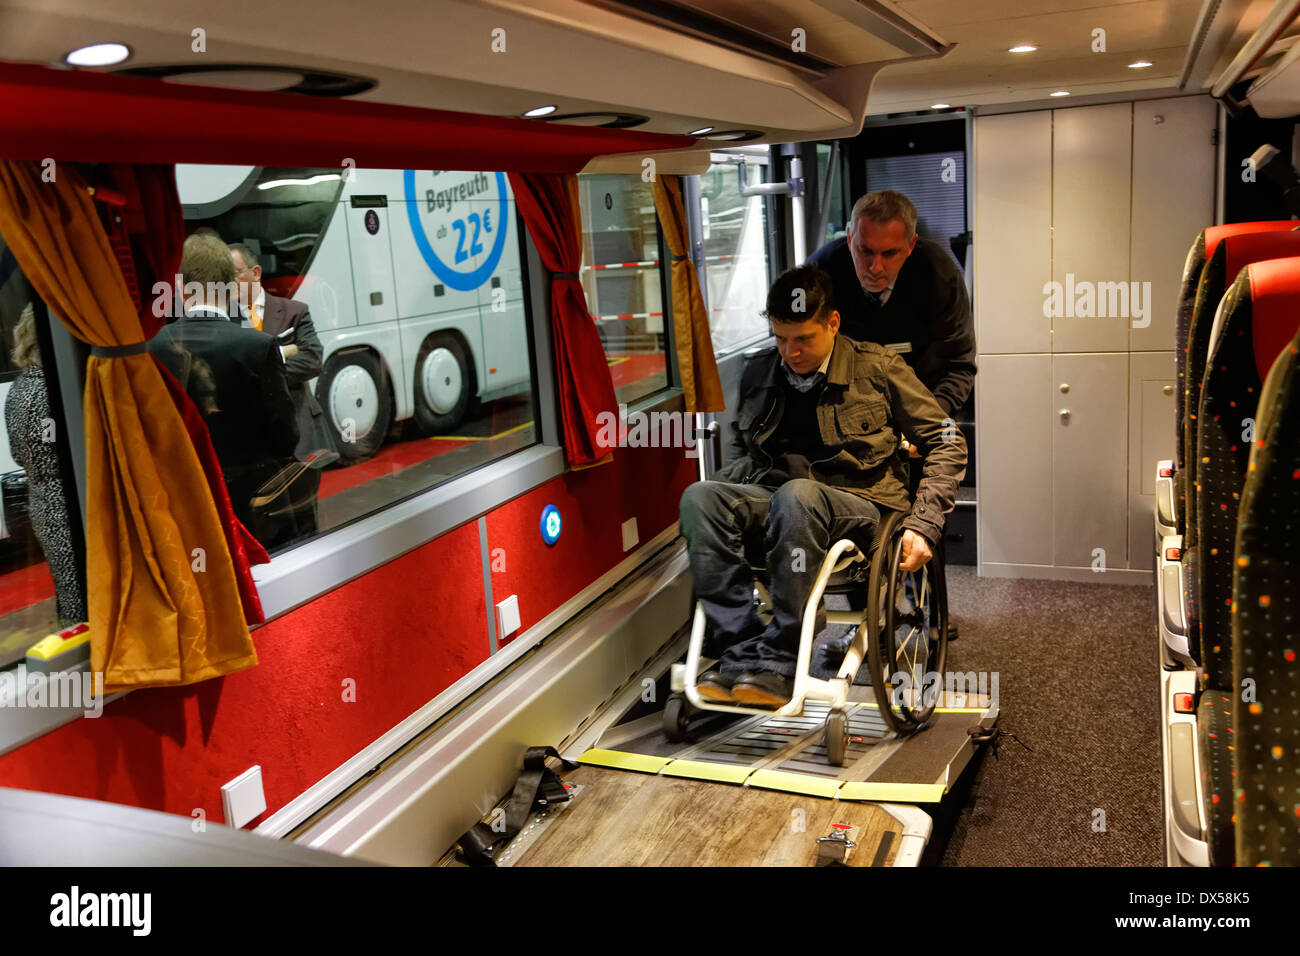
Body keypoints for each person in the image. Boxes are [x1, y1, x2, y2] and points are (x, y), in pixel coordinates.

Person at [679, 265, 966, 707]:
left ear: (833, 322)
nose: (790, 352)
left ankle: (781, 658)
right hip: (778, 501)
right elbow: (742, 455)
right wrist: (725, 507)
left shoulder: (880, 368)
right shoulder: (759, 371)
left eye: (803, 339)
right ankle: (740, 650)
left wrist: (925, 523)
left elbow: (947, 441)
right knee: (701, 498)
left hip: (862, 506)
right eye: (780, 338)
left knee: (799, 495)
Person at [148, 234, 299, 547]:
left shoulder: (152, 348)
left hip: (183, 505)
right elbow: (286, 435)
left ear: (179, 286)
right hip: (254, 504)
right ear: (230, 287)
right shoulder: (257, 345)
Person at [807, 190, 976, 423]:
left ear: (910, 245)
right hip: (845, 408)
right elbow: (799, 355)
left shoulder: (939, 274)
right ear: (849, 239)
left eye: (889, 253)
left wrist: (930, 420)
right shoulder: (818, 274)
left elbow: (959, 365)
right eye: (865, 251)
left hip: (924, 400)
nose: (876, 267)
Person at [229, 242, 336, 535]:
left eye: (235, 274)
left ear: (255, 272)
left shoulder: (293, 311)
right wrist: (283, 353)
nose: (230, 282)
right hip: (254, 446)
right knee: (264, 526)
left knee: (305, 521)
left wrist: (264, 374)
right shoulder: (226, 321)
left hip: (300, 435)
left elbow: (312, 359)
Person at [4, 305, 86, 625]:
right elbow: (62, 444)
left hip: (40, 499)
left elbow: (17, 452)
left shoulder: (19, 387)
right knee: (81, 585)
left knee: (67, 584)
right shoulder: (57, 388)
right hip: (69, 498)